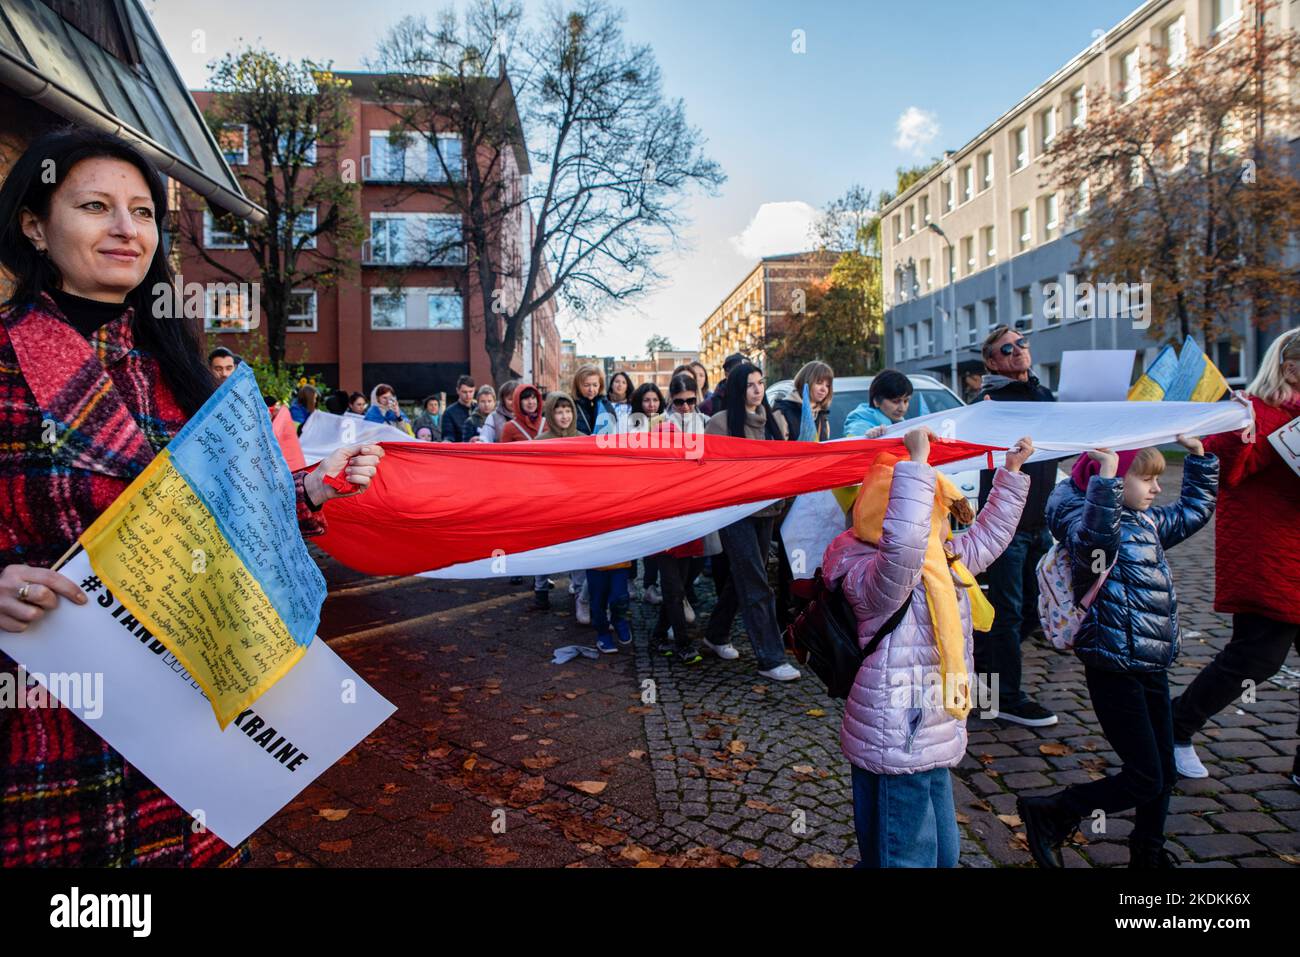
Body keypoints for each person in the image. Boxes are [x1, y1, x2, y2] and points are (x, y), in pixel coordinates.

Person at [0, 127, 385, 867]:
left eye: (143, 212)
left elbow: (236, 517)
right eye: (95, 206)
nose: (125, 229)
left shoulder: (178, 365)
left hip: (191, 731)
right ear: (33, 225)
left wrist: (308, 484)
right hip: (52, 726)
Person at [825, 428, 1033, 867]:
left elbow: (987, 538)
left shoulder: (942, 560)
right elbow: (901, 550)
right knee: (906, 857)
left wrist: (1011, 474)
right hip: (896, 734)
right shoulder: (863, 567)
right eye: (932, 508)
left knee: (943, 856)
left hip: (929, 731)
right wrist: (917, 465)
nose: (939, 520)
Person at [1020, 439, 1218, 868]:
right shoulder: (1077, 516)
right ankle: (1053, 811)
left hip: (1150, 660)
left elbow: (1191, 513)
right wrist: (1106, 484)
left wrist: (1201, 458)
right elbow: (1096, 549)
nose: (1156, 489)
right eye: (1145, 478)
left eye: (1157, 479)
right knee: (1145, 775)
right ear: (1106, 478)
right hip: (1111, 663)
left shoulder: (1143, 520)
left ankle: (1147, 852)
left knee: (1163, 770)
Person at [1171, 328, 1300, 785]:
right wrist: (1240, 433)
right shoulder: (1256, 412)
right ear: (1289, 367)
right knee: (1256, 659)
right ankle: (1176, 726)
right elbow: (1228, 470)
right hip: (1270, 557)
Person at [969, 325, 1062, 726]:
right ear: (992, 361)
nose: (1018, 351)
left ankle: (982, 671)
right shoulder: (989, 403)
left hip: (1041, 521)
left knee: (1035, 609)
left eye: (1022, 343)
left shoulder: (1044, 396)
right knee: (1007, 611)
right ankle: (1005, 696)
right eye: (1007, 348)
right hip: (1007, 525)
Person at [702, 361, 801, 679]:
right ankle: (771, 658)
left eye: (761, 383)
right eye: (750, 384)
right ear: (736, 389)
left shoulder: (774, 421)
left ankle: (716, 633)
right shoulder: (719, 423)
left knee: (743, 577)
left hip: (767, 511)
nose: (758, 389)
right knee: (757, 582)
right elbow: (713, 471)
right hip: (735, 513)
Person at [648, 373, 712, 664]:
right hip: (665, 517)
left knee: (682, 584)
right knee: (672, 586)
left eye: (690, 401)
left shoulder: (705, 425)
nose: (686, 407)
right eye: (680, 402)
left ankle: (659, 636)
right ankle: (684, 644)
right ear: (670, 401)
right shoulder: (659, 429)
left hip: (693, 516)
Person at [530, 393, 580, 609]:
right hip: (548, 504)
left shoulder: (583, 439)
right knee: (544, 547)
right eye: (559, 411)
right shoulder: (539, 442)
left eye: (568, 411)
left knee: (579, 549)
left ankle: (580, 593)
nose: (564, 416)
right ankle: (540, 588)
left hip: (576, 504)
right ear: (550, 414)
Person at [773, 360, 833, 441]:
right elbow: (778, 449)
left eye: (827, 386)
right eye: (819, 383)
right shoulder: (783, 411)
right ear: (805, 381)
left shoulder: (822, 416)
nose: (824, 389)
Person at [843, 369, 913, 438]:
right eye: (895, 401)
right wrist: (865, 437)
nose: (902, 408)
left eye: (906, 401)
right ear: (876, 401)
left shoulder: (902, 424)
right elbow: (852, 441)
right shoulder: (860, 425)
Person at [700, 352, 747, 417]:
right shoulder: (709, 406)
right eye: (739, 372)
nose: (745, 376)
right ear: (726, 373)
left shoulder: (755, 398)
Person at [571, 364, 614, 436]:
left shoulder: (606, 405)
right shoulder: (571, 405)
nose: (591, 389)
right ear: (578, 386)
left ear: (600, 385)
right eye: (586, 385)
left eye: (595, 385)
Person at [441, 375, 477, 442]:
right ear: (458, 390)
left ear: (474, 390)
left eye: (471, 391)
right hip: (459, 449)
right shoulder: (449, 412)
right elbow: (448, 435)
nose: (468, 395)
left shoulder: (479, 408)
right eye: (464, 392)